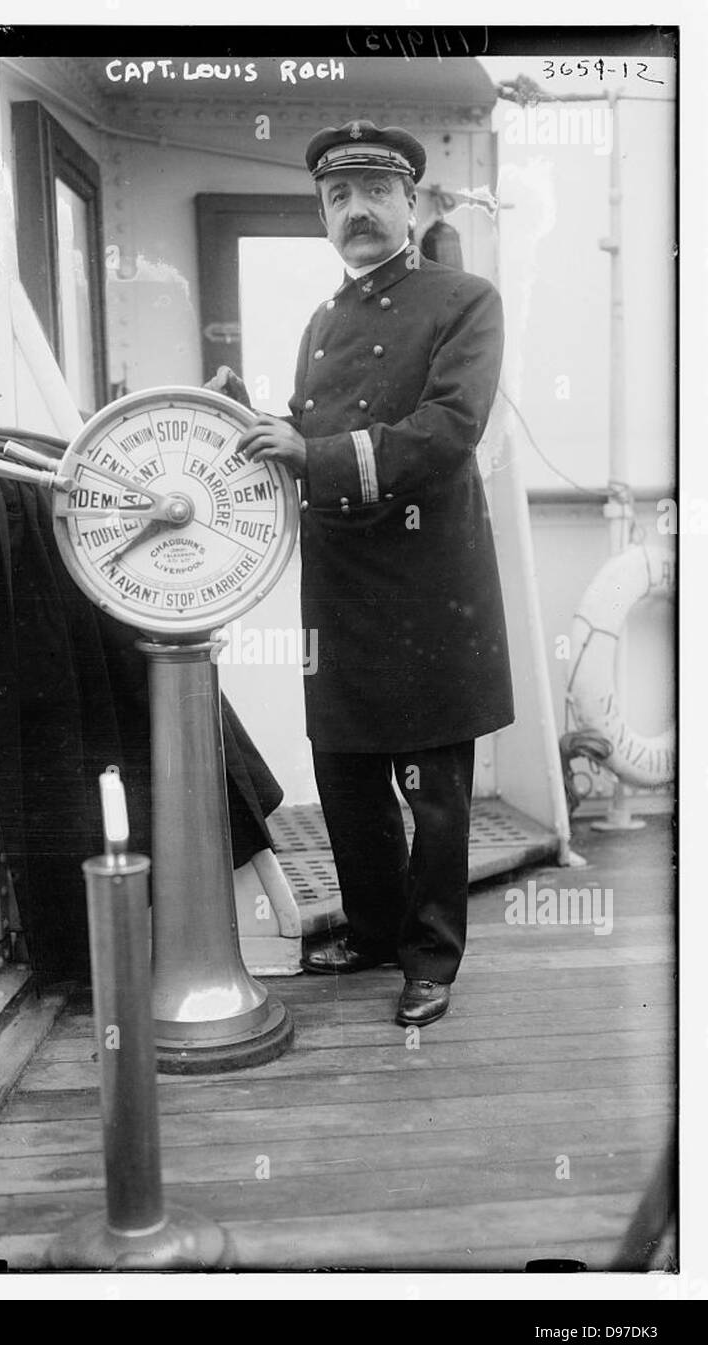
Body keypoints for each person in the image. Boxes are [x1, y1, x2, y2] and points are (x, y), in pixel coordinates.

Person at [232, 119, 514, 1028]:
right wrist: (242, 423)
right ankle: (372, 928)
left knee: (432, 788)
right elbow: (311, 428)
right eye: (336, 197)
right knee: (346, 769)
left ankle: (430, 961)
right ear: (323, 212)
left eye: (372, 193)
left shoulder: (464, 299)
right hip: (341, 580)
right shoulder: (322, 320)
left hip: (431, 580)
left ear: (408, 202)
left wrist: (307, 455)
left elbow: (448, 429)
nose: (356, 210)